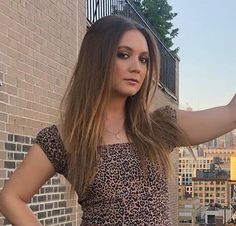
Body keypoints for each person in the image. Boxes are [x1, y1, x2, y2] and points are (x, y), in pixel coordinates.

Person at [0, 15, 235, 226]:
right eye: (124, 55)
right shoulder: (65, 138)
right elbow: (11, 197)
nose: (137, 68)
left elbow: (230, 113)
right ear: (97, 60)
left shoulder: (159, 127)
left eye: (144, 60)